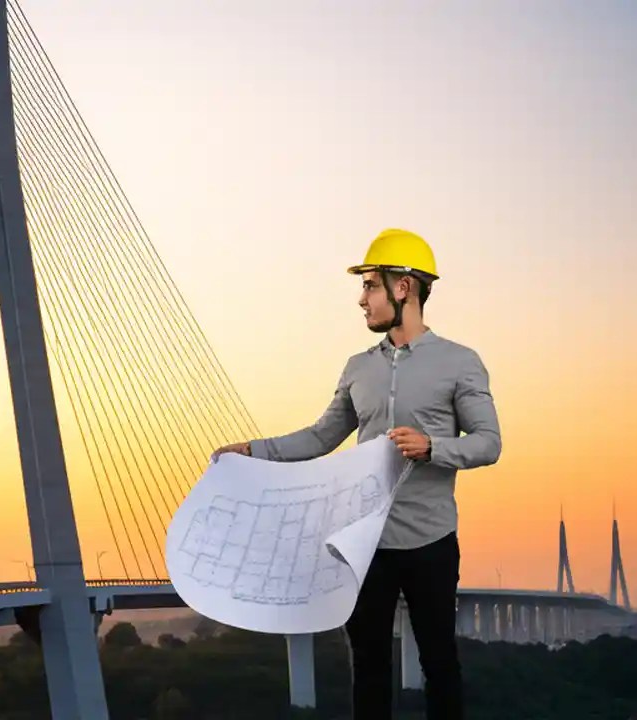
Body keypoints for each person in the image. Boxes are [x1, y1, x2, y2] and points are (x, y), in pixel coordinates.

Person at [212, 228, 501, 719]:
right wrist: (251, 450)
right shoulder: (356, 367)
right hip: (366, 545)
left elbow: (489, 443)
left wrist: (434, 447)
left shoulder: (460, 362)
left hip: (430, 541)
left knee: (440, 664)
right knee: (367, 666)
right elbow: (321, 437)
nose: (361, 299)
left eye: (370, 285)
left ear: (403, 287)